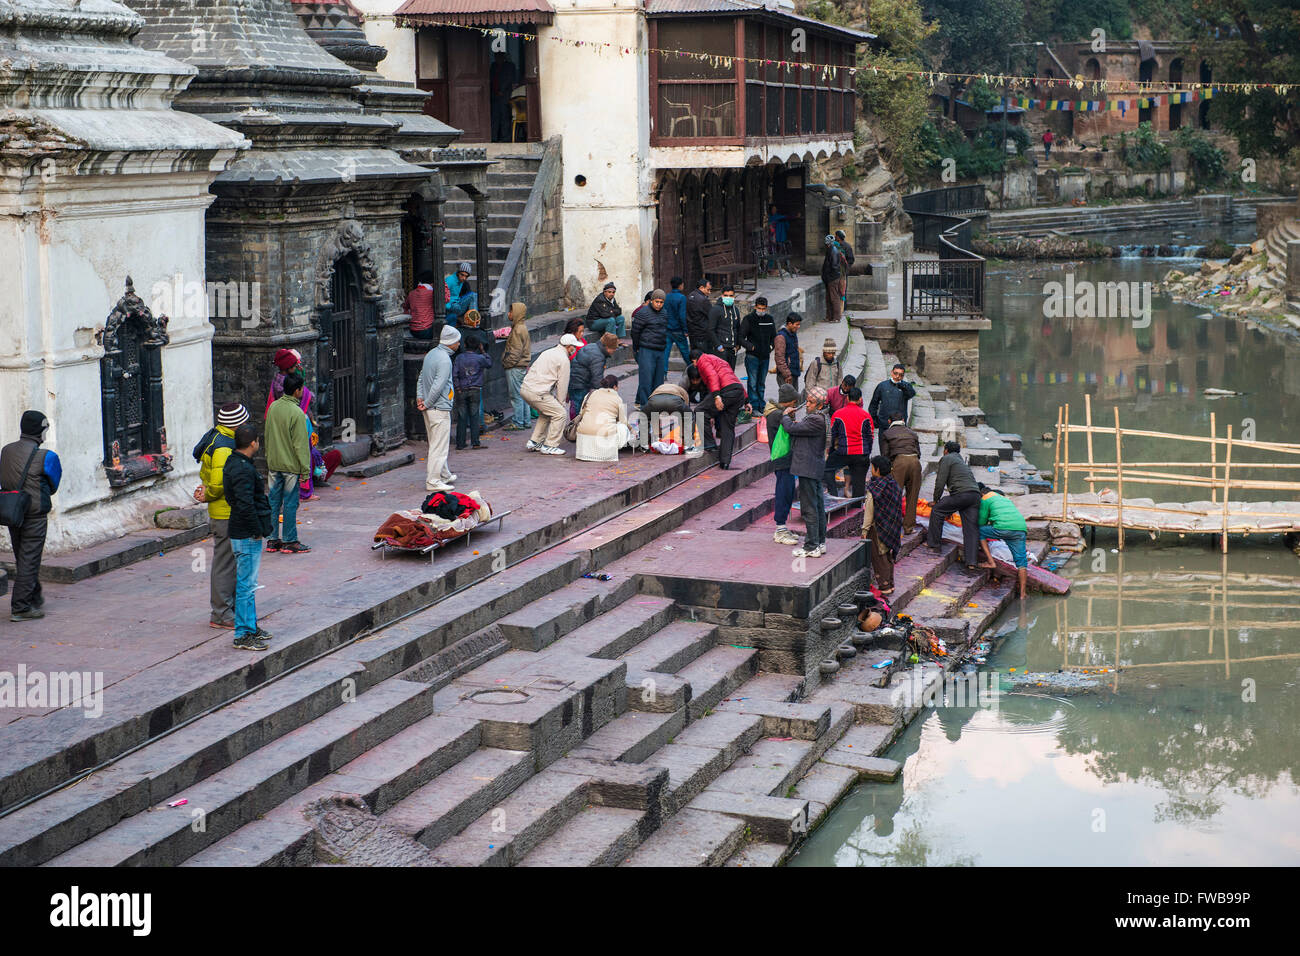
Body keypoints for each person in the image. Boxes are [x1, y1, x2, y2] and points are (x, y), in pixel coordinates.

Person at [1, 411, 61, 622]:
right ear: (41, 431)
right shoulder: (47, 457)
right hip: (35, 515)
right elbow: (53, 485)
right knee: (29, 558)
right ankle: (21, 607)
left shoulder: (6, 451)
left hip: (12, 512)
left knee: (23, 555)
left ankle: (32, 594)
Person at [195, 402, 249, 629]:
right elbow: (218, 483)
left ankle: (228, 608)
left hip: (225, 510)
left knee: (228, 561)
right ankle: (221, 613)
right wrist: (208, 494)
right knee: (225, 562)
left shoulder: (217, 437)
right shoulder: (224, 448)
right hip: (224, 511)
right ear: (237, 425)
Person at [225, 422, 274, 651]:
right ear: (253, 443)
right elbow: (245, 504)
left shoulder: (234, 462)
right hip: (245, 533)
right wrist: (257, 529)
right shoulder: (242, 469)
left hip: (241, 529)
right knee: (246, 585)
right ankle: (243, 634)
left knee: (250, 584)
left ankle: (251, 627)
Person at [264, 372, 312, 554]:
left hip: (274, 464)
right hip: (290, 466)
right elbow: (301, 446)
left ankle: (272, 540)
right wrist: (305, 471)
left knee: (274, 502)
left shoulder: (273, 407)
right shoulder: (297, 413)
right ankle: (290, 541)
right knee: (291, 503)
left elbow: (267, 436)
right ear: (298, 390)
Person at [782, 387, 829, 558]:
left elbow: (791, 429)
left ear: (819, 405)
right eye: (807, 401)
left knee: (810, 508)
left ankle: (811, 546)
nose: (807, 405)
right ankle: (820, 542)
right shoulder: (820, 417)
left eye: (810, 402)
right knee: (817, 507)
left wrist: (785, 415)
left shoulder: (816, 419)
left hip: (808, 468)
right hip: (813, 468)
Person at [686, 350, 747, 469]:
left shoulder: (703, 360)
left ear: (694, 360)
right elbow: (734, 379)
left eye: (693, 363)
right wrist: (746, 400)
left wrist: (716, 396)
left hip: (725, 391)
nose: (695, 365)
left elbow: (712, 375)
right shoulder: (721, 361)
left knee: (700, 411)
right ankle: (725, 462)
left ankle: (709, 444)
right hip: (737, 392)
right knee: (728, 427)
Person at [522, 333, 581, 455]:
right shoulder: (564, 360)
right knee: (559, 413)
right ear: (569, 346)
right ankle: (550, 445)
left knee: (547, 412)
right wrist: (561, 404)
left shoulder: (548, 352)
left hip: (526, 388)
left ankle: (535, 441)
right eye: (573, 346)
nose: (574, 349)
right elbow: (562, 385)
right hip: (538, 392)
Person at [927, 440, 981, 570]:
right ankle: (972, 562)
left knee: (938, 510)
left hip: (961, 494)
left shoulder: (947, 459)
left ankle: (934, 544)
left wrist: (935, 500)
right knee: (971, 529)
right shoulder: (960, 461)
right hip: (975, 496)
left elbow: (940, 481)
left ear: (946, 450)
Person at [418, 325, 460, 493]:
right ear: (451, 342)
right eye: (457, 341)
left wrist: (420, 398)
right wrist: (427, 402)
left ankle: (443, 474)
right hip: (438, 407)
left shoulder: (432, 354)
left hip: (430, 407)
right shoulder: (444, 360)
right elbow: (438, 386)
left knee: (436, 442)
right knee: (439, 446)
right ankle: (433, 480)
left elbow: (421, 378)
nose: (458, 344)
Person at [976, 485, 1029, 599]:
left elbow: (982, 521)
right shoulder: (1004, 499)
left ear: (981, 494)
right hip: (1021, 529)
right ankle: (1023, 594)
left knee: (980, 531)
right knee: (1022, 563)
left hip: (1003, 528)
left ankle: (991, 562)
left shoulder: (985, 498)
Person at [865, 455, 904, 594]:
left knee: (879, 555)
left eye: (872, 468)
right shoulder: (894, 485)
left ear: (877, 470)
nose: (871, 471)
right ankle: (891, 583)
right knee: (887, 554)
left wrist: (864, 530)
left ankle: (885, 585)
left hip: (878, 526)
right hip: (892, 526)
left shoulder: (875, 487)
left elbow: (869, 510)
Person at [766, 383, 800, 545]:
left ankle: (783, 527)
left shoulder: (779, 413)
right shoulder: (776, 415)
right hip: (782, 460)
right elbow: (791, 429)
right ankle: (780, 528)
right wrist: (787, 416)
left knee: (788, 492)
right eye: (794, 402)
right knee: (783, 492)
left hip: (787, 460)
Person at [826, 386, 873, 499]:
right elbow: (870, 437)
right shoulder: (866, 415)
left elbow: (833, 436)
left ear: (847, 398)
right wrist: (867, 453)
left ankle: (833, 496)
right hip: (861, 454)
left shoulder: (838, 414)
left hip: (843, 452)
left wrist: (831, 452)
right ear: (860, 399)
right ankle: (857, 507)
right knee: (859, 483)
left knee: (827, 469)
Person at [879, 418, 923, 533]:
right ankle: (909, 527)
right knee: (912, 496)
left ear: (889, 421)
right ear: (903, 420)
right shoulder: (912, 433)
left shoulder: (887, 433)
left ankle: (893, 526)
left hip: (899, 462)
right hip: (915, 462)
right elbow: (919, 452)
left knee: (894, 496)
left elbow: (885, 454)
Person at [576, 375, 632, 462]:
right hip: (604, 437)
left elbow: (581, 413)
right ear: (615, 387)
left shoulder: (590, 394)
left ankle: (585, 454)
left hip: (584, 434)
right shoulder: (618, 399)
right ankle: (609, 452)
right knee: (622, 427)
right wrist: (632, 430)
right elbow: (623, 421)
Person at [453, 336, 492, 450]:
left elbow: (454, 374)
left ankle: (460, 443)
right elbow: (489, 363)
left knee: (462, 416)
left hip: (461, 390)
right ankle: (475, 442)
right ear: (477, 346)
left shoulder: (460, 358)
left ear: (465, 345)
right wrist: (483, 351)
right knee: (474, 416)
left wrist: (458, 388)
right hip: (475, 389)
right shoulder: (480, 358)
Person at [630, 290, 668, 406]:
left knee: (658, 381)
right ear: (651, 301)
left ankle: (656, 405)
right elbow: (635, 332)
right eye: (657, 302)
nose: (659, 304)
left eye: (661, 302)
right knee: (646, 380)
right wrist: (636, 348)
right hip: (646, 349)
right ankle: (645, 406)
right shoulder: (642, 313)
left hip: (660, 350)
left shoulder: (665, 313)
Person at [738, 296, 776, 407]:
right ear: (755, 307)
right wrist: (751, 347)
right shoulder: (748, 319)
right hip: (752, 357)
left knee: (761, 383)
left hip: (765, 357)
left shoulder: (769, 319)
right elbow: (740, 337)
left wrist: (770, 348)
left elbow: (774, 337)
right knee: (753, 383)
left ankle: (761, 405)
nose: (761, 311)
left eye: (764, 309)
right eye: (759, 308)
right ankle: (753, 405)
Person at [502, 302, 532, 430]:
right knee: (522, 395)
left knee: (516, 396)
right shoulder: (521, 327)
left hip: (515, 367)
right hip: (521, 366)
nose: (509, 314)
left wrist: (506, 363)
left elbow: (515, 352)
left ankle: (518, 422)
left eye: (511, 311)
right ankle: (525, 421)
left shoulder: (517, 330)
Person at [571, 332, 619, 412]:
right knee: (579, 410)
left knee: (577, 406)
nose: (614, 351)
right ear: (607, 347)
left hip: (575, 380)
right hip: (580, 384)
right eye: (613, 348)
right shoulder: (598, 357)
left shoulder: (593, 346)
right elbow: (597, 379)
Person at [868, 362, 916, 429]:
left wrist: (904, 387)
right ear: (891, 372)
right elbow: (873, 404)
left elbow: (911, 394)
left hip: (900, 424)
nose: (897, 376)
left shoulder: (906, 386)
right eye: (895, 373)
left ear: (903, 376)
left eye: (900, 375)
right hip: (884, 423)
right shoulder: (882, 386)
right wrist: (874, 420)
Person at [643, 380, 691, 445]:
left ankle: (645, 442)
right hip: (674, 402)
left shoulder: (658, 388)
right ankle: (688, 439)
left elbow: (650, 400)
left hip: (655, 402)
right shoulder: (682, 390)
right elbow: (686, 409)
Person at [709, 284, 741, 369]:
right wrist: (719, 346)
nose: (728, 297)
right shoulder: (716, 309)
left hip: (733, 349)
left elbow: (738, 327)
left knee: (730, 375)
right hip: (721, 349)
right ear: (722, 295)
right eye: (726, 295)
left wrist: (738, 344)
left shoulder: (735, 310)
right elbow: (710, 330)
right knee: (721, 374)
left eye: (731, 295)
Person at [489, 50, 518, 143]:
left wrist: (502, 90)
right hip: (494, 95)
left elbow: (509, 78)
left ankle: (506, 138)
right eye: (496, 57)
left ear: (504, 58)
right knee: (494, 117)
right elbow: (491, 79)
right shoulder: (493, 66)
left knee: (505, 117)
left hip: (505, 95)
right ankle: (493, 137)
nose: (498, 59)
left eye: (500, 57)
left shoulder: (509, 66)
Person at [663, 276, 690, 369]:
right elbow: (682, 316)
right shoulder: (682, 298)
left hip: (667, 329)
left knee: (665, 353)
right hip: (678, 329)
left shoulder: (667, 297)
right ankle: (692, 369)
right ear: (680, 285)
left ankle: (663, 373)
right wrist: (685, 330)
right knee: (685, 352)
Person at [821, 234, 848, 325]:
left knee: (834, 297)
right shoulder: (830, 250)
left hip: (832, 278)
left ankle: (836, 317)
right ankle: (829, 316)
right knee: (829, 298)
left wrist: (828, 276)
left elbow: (834, 266)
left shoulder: (833, 251)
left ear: (827, 243)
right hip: (829, 278)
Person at [405, 270, 440, 340]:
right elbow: (446, 299)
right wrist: (443, 283)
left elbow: (405, 307)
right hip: (425, 331)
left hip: (413, 330)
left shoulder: (412, 293)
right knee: (451, 316)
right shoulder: (431, 293)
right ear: (432, 283)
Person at [685, 277, 714, 356]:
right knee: (703, 358)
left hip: (692, 333)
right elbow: (711, 315)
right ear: (701, 287)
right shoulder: (703, 300)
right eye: (708, 289)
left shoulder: (690, 296)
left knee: (695, 356)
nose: (709, 292)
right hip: (702, 334)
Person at [774, 312, 803, 389]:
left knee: (795, 398)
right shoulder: (781, 337)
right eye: (797, 324)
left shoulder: (792, 334)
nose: (798, 327)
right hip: (786, 376)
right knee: (788, 399)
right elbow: (779, 358)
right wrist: (786, 374)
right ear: (790, 324)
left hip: (794, 372)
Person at [444, 262, 477, 327]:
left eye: (466, 276)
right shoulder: (450, 280)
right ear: (458, 273)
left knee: (474, 295)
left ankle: (473, 321)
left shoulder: (461, 281)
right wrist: (448, 306)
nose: (464, 278)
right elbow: (441, 295)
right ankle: (473, 322)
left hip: (457, 304)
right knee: (473, 296)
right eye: (462, 275)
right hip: (451, 307)